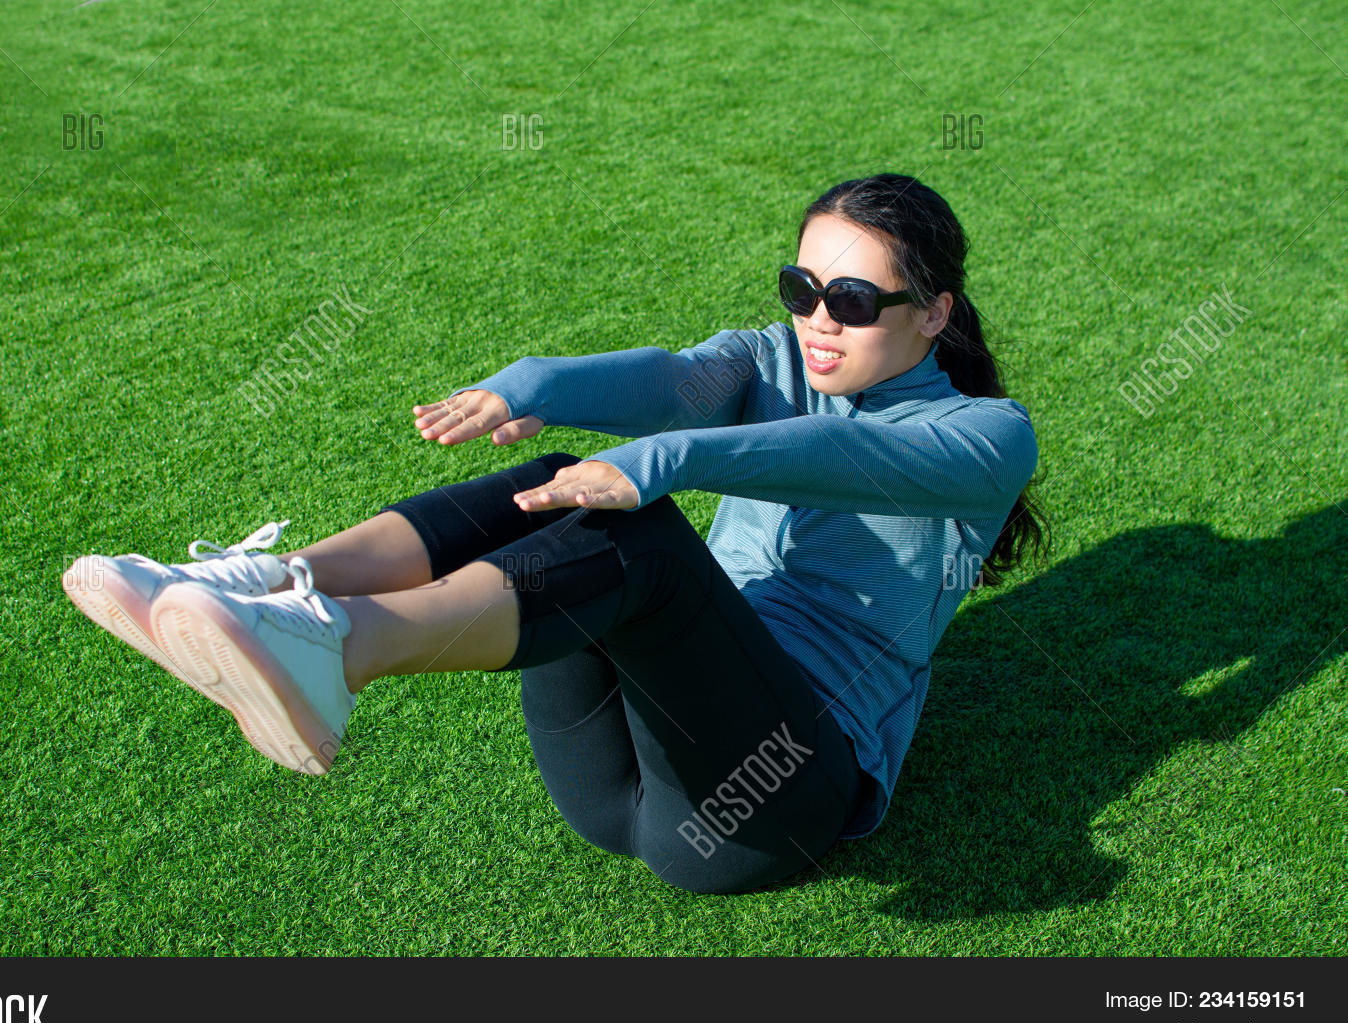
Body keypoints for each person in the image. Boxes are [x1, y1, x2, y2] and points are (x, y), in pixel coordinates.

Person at [63, 173, 1047, 895]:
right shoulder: (772, 362)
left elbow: (840, 459)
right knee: (565, 481)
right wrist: (536, 383)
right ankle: (269, 584)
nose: (818, 322)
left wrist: (665, 461)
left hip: (766, 801)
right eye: (802, 290)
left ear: (934, 313)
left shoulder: (987, 438)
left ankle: (339, 649)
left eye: (854, 302)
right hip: (611, 771)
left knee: (643, 531)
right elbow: (674, 380)